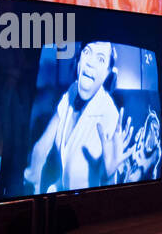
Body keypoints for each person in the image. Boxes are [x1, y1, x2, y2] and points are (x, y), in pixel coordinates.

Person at [24, 41, 132, 193]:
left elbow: (107, 192)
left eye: (100, 59)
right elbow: (41, 147)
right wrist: (30, 192)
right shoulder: (73, 90)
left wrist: (109, 177)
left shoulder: (110, 116)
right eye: (87, 52)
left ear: (108, 73)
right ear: (79, 58)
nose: (90, 64)